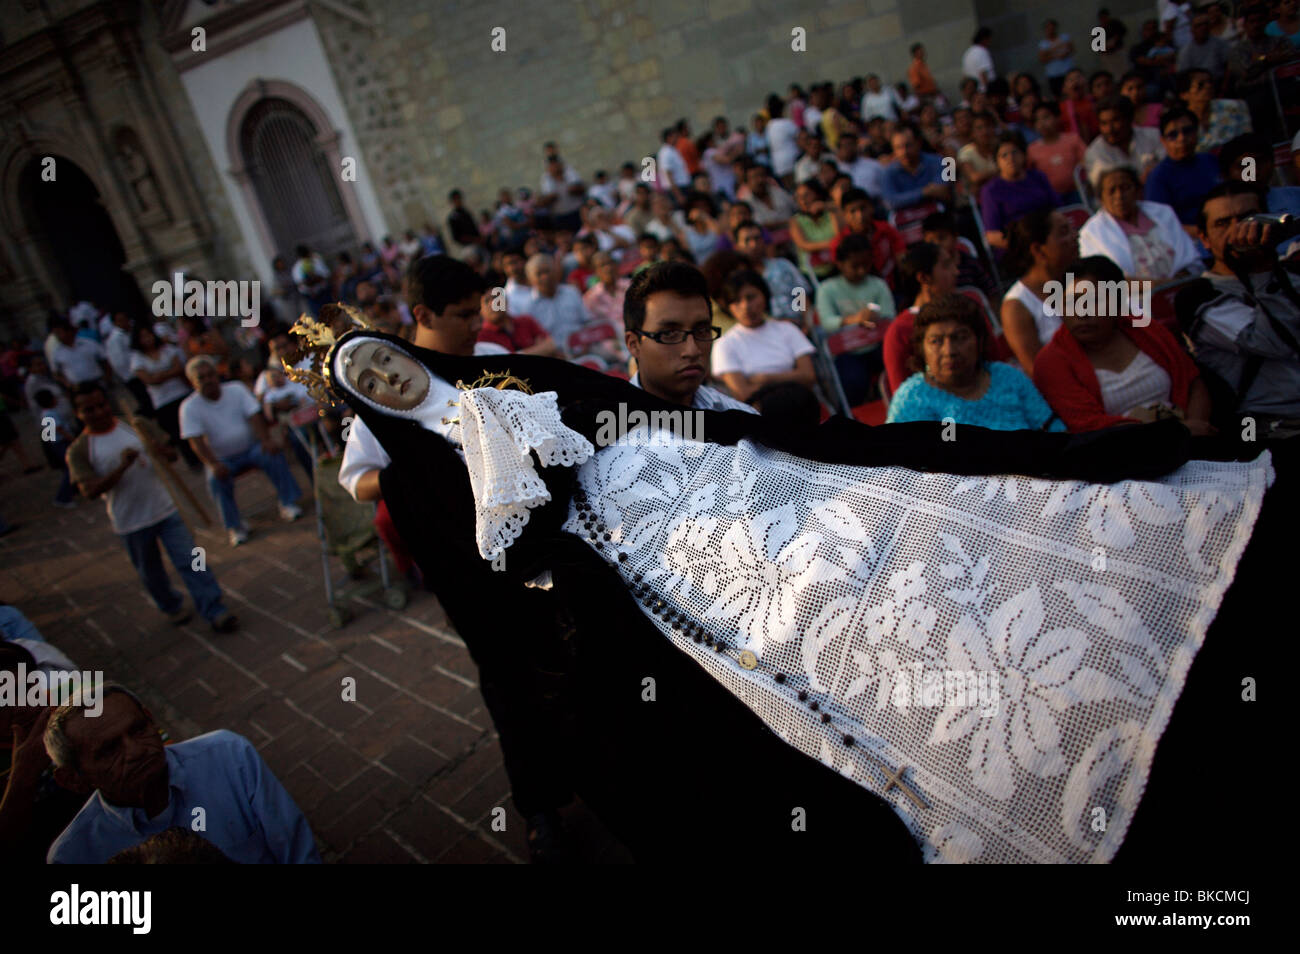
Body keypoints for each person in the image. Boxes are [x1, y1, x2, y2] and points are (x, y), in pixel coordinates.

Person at [307, 294, 1274, 866]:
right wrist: (554, 556)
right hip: (633, 556)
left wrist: (725, 435)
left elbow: (619, 410)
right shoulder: (422, 480)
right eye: (372, 385)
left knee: (857, 500)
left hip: (680, 473)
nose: (391, 381)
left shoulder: (512, 374)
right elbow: (493, 582)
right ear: (365, 405)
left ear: (402, 352)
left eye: (388, 363)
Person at [45, 686, 318, 863]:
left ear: (151, 720)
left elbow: (297, 851)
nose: (136, 750)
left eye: (139, 729)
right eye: (108, 750)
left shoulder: (228, 754)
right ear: (73, 779)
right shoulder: (74, 855)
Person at [66, 382, 237, 631]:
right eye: (89, 409)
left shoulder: (135, 425)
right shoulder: (80, 450)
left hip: (166, 508)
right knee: (151, 573)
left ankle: (215, 609)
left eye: (102, 405)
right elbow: (89, 490)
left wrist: (159, 451)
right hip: (130, 522)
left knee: (192, 559)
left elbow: (172, 455)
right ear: (78, 414)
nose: (99, 413)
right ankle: (170, 605)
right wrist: (122, 467)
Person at [1034, 255, 1214, 433]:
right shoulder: (1051, 362)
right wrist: (1178, 433)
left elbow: (1192, 383)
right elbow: (1089, 428)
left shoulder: (1145, 328)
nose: (1081, 313)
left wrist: (1195, 427)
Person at [1177, 182, 1300, 429]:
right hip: (1269, 426)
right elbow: (1273, 343)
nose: (1238, 231)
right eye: (1223, 224)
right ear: (1205, 239)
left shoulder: (1290, 273)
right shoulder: (1197, 297)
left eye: (1247, 219)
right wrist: (1261, 269)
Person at [886, 293, 1063, 431]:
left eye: (960, 338)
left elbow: (1053, 431)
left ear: (979, 340)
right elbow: (896, 468)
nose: (950, 351)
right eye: (936, 341)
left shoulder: (1009, 378)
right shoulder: (912, 399)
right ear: (921, 348)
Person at [179, 356, 303, 546]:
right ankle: (235, 526)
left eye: (210, 375)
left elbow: (255, 415)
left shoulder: (236, 389)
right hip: (221, 458)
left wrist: (266, 440)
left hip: (251, 447)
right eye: (201, 377)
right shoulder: (189, 407)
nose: (208, 380)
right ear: (192, 382)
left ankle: (288, 503)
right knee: (215, 479)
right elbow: (195, 442)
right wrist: (213, 463)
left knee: (271, 453)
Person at [623, 262, 754, 412]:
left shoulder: (743, 421)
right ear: (633, 344)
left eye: (702, 330)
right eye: (669, 334)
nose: (692, 350)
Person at [884, 243, 1009, 395]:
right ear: (924, 278)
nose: (956, 272)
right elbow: (902, 394)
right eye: (946, 266)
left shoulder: (969, 308)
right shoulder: (900, 331)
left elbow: (995, 363)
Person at [1081, 165, 1203, 281]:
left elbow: (1188, 256)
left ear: (1138, 190)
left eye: (1125, 188)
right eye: (1112, 191)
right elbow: (1105, 282)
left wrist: (1176, 282)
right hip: (1135, 298)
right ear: (1101, 198)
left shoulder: (1163, 212)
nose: (1119, 196)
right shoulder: (1092, 232)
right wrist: (1157, 286)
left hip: (1182, 285)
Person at [712, 270, 816, 404]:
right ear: (728, 308)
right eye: (736, 301)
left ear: (765, 296)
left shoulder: (787, 329)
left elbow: (809, 376)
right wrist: (792, 377)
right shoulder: (724, 344)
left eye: (751, 297)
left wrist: (767, 379)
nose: (746, 307)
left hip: (802, 403)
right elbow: (743, 394)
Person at [1000, 208, 1078, 374]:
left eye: (1072, 229)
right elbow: (1039, 373)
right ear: (1038, 250)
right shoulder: (1017, 306)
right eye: (1064, 232)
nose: (1075, 236)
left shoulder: (1081, 277)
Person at [1218, 132, 1300, 256]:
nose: (1253, 172)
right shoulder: (1220, 215)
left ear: (1272, 163)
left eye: (1260, 162)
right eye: (1245, 166)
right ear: (1226, 174)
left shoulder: (1296, 196)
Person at [1144, 106, 1223, 225]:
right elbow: (1161, 224)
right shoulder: (1158, 178)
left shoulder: (1211, 160)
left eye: (1187, 131)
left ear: (1197, 133)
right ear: (1163, 141)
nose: (1181, 138)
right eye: (1173, 135)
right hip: (1188, 238)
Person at [129, 324, 195, 466]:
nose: (147, 339)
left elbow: (178, 368)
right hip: (162, 401)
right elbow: (149, 380)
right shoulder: (137, 358)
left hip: (181, 392)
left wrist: (160, 375)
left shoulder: (167, 349)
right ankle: (191, 460)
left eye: (148, 335)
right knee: (177, 433)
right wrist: (167, 373)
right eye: (143, 337)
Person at [980, 132, 1060, 249]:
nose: (1010, 159)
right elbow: (992, 236)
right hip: (1019, 247)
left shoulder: (1038, 177)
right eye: (1004, 155)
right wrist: (1022, 246)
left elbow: (1057, 209)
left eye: (1014, 152)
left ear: (1023, 154)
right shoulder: (991, 191)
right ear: (997, 162)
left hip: (1049, 238)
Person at [829, 187, 907, 291]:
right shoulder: (839, 244)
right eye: (853, 211)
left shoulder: (886, 229)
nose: (860, 216)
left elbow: (902, 258)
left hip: (894, 289)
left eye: (863, 208)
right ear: (845, 215)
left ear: (871, 208)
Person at [1084, 95, 1166, 188]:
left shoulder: (1153, 136)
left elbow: (1169, 166)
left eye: (1115, 120)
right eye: (1104, 123)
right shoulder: (1095, 153)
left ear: (1129, 119)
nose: (1109, 129)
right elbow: (1109, 188)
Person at [922, 211, 1000, 302]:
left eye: (941, 238)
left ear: (955, 237)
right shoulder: (928, 272)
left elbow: (991, 292)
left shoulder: (970, 263)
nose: (937, 244)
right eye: (931, 241)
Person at [518, 253, 591, 350]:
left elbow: (586, 322)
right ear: (531, 279)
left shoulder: (571, 292)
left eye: (547, 271)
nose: (545, 277)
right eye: (539, 274)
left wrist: (587, 345)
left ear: (555, 271)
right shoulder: (527, 306)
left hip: (584, 348)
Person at [1177, 67, 1251, 153]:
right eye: (1200, 85)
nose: (1208, 86)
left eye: (1210, 82)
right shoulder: (1180, 121)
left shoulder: (1235, 107)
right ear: (1184, 95)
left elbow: (1248, 140)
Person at [882, 124, 952, 213]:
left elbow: (943, 190)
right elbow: (890, 202)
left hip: (938, 217)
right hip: (906, 223)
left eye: (908, 145)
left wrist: (904, 198)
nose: (904, 152)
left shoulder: (937, 161)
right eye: (898, 147)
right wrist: (923, 192)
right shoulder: (889, 172)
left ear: (918, 143)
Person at [1028, 101, 1088, 202]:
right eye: (1037, 120)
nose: (1042, 123)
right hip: (1050, 198)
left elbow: (1087, 162)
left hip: (1077, 193)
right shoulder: (1032, 150)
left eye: (1046, 117)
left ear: (1057, 118)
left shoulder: (1073, 139)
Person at [49, 320, 108, 390]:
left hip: (98, 383)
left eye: (59, 333)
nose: (58, 336)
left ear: (69, 331)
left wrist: (107, 377)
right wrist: (68, 384)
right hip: (78, 388)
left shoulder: (88, 343)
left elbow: (104, 360)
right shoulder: (57, 352)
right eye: (56, 334)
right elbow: (56, 373)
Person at [1177, 9, 1231, 82]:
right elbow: (1183, 75)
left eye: (1205, 24)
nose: (1203, 28)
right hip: (1197, 88)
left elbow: (1229, 67)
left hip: (1219, 84)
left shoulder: (1221, 44)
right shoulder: (1185, 51)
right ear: (1192, 30)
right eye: (1198, 25)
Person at [959, 110, 1001, 198]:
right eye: (979, 128)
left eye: (988, 126)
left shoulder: (1001, 147)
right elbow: (974, 178)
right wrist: (999, 171)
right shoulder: (966, 152)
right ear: (972, 133)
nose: (985, 131)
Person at [1060, 68, 1100, 143]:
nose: (1075, 81)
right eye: (1071, 80)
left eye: (1078, 77)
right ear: (1064, 89)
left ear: (1086, 83)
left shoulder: (1095, 101)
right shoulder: (1061, 108)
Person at [1040, 18, 1077, 97]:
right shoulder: (1043, 44)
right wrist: (1055, 55)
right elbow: (1042, 58)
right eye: (1048, 28)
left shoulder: (1065, 37)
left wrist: (1064, 53)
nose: (1051, 30)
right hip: (1054, 75)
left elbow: (1072, 49)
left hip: (1068, 71)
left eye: (1052, 27)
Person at [962, 27, 996, 92]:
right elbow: (983, 73)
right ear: (984, 39)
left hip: (974, 92)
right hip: (984, 91)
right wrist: (989, 91)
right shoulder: (982, 51)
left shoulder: (967, 54)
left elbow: (965, 77)